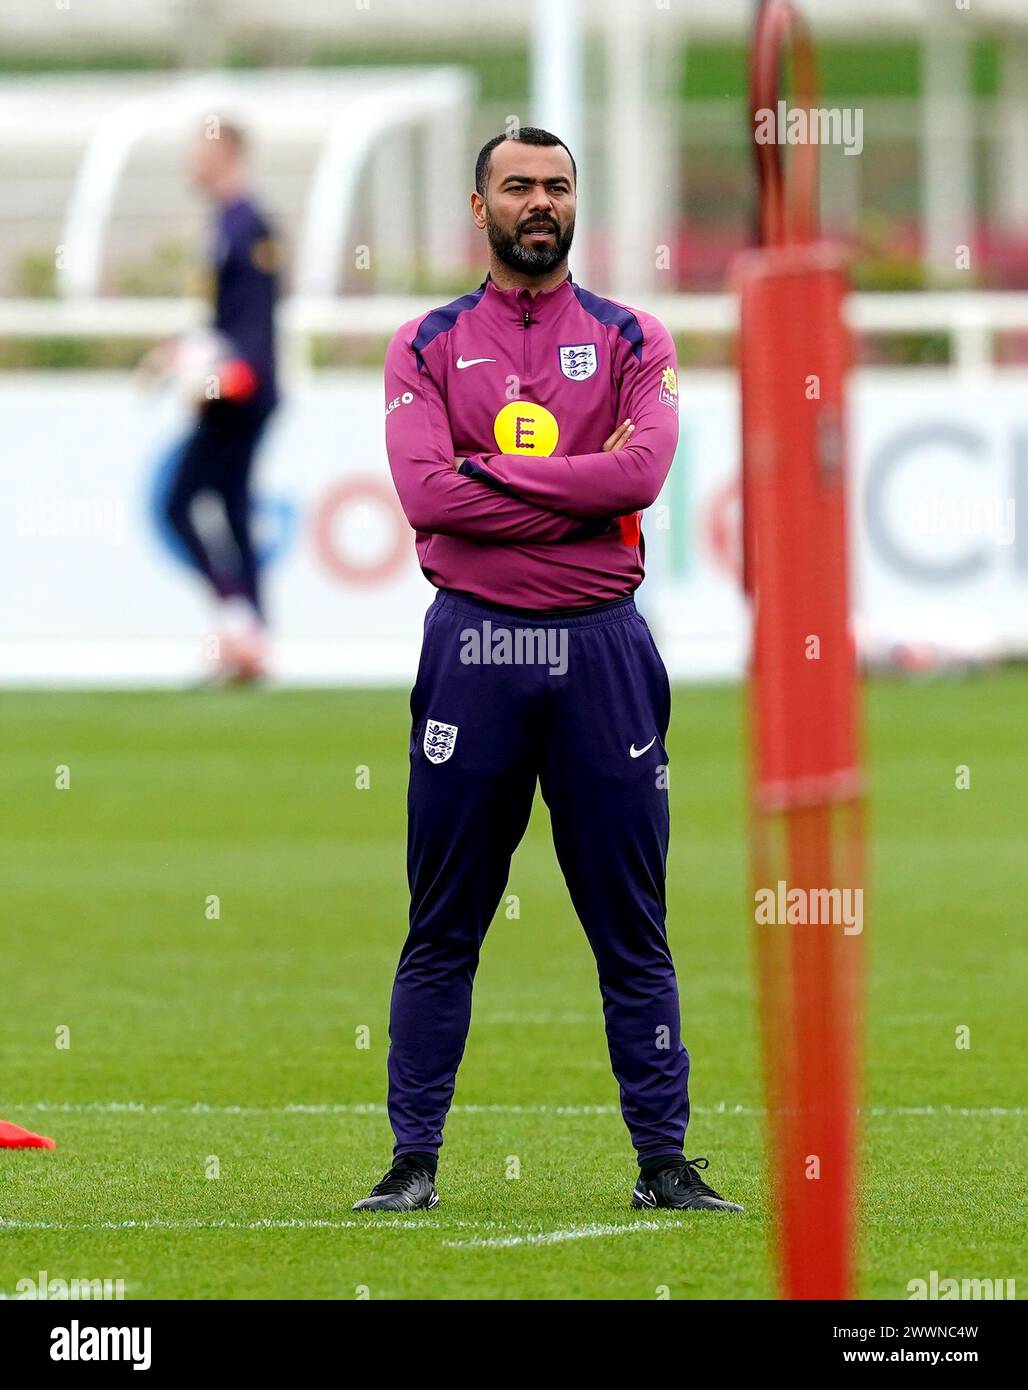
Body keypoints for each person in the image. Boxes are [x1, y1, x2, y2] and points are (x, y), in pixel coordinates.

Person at [355, 127, 742, 1214]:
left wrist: (494, 471)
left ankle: (662, 1163)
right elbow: (427, 499)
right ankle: (411, 1160)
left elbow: (645, 470)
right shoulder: (424, 344)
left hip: (600, 650)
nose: (539, 202)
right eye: (517, 186)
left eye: (556, 187)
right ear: (476, 209)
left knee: (633, 922)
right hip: (473, 644)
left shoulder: (632, 336)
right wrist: (578, 492)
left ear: (578, 205)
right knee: (443, 920)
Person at [158, 119, 279, 682]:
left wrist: (232, 374)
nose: (190, 163)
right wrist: (184, 354)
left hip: (240, 393)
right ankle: (249, 633)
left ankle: (241, 625)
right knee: (229, 507)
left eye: (198, 151)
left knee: (181, 501)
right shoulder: (225, 223)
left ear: (226, 153)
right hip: (229, 388)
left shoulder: (248, 223)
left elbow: (255, 316)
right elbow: (224, 319)